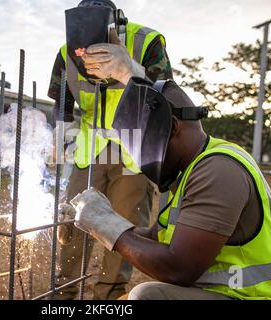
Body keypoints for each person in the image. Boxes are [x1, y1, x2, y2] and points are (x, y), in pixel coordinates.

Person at [63, 76, 271, 300]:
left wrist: (107, 226)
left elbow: (178, 268)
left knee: (147, 297)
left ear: (172, 127)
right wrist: (97, 221)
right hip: (232, 293)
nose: (140, 159)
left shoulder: (217, 171)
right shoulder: (190, 170)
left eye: (142, 145)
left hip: (261, 297)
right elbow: (154, 238)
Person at [47, 0, 173, 300]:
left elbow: (166, 92)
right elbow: (62, 103)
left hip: (133, 149)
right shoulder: (68, 50)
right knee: (73, 221)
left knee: (122, 226)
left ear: (117, 24)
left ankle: (109, 296)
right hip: (90, 148)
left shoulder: (147, 41)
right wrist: (58, 137)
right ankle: (64, 293)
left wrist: (130, 66)